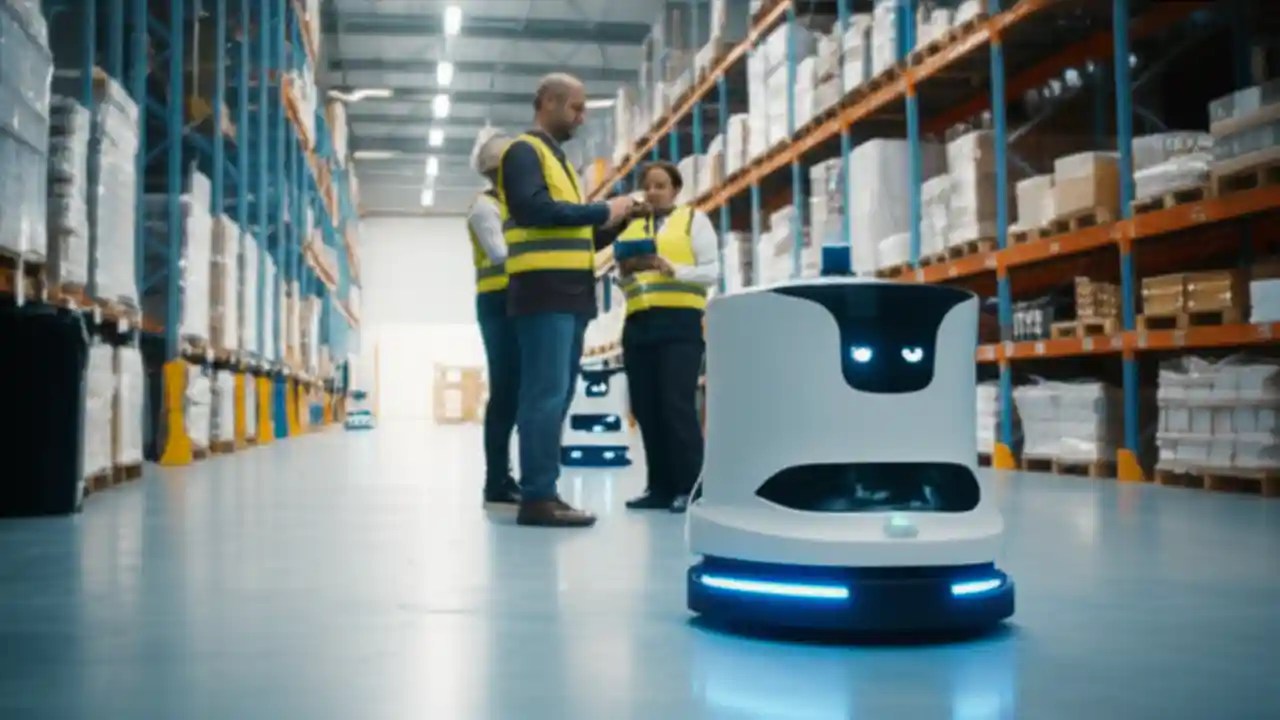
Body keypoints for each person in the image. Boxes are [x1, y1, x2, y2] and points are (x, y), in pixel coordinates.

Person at [496, 73, 636, 528]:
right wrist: (602, 210)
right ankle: (538, 496)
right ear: (549, 102)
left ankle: (545, 491)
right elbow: (533, 210)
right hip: (543, 292)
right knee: (544, 394)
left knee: (558, 396)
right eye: (575, 107)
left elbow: (579, 235)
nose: (582, 116)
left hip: (570, 294)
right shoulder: (523, 152)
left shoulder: (561, 163)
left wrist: (620, 220)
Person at [613, 162, 719, 514]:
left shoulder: (693, 221)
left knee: (676, 406)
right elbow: (623, 275)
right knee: (646, 407)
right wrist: (626, 274)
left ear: (676, 189)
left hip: (680, 324)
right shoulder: (632, 226)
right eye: (649, 186)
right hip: (639, 323)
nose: (654, 192)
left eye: (661, 185)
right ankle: (658, 487)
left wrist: (673, 270)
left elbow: (711, 272)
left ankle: (690, 487)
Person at [466, 128, 522, 506]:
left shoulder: (514, 206)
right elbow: (500, 253)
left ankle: (509, 476)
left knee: (518, 392)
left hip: (519, 301)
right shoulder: (486, 208)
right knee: (505, 391)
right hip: (498, 304)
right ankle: (496, 480)